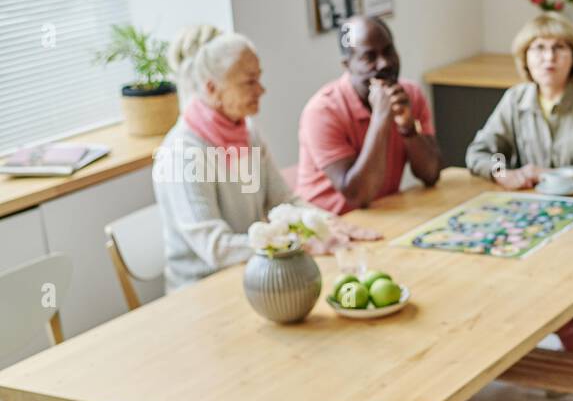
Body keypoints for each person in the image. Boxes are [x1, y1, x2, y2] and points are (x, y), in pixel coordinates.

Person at [153, 25, 372, 293]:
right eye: (249, 82)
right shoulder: (183, 154)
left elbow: (282, 200)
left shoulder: (246, 132)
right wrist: (298, 243)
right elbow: (216, 249)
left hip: (254, 274)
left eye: (259, 78)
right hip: (201, 291)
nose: (262, 90)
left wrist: (328, 223)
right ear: (212, 88)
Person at [467, 12, 573, 353]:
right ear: (525, 58)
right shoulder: (516, 99)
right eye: (538, 48)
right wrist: (501, 171)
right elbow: (481, 151)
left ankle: (572, 339)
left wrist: (555, 175)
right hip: (534, 218)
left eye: (559, 48)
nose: (549, 57)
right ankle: (568, 343)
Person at [296, 15, 443, 214]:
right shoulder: (322, 111)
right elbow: (358, 195)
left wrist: (408, 128)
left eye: (388, 51)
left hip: (380, 214)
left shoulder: (411, 95)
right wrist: (381, 117)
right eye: (369, 57)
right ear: (347, 65)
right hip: (329, 226)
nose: (384, 64)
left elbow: (431, 174)